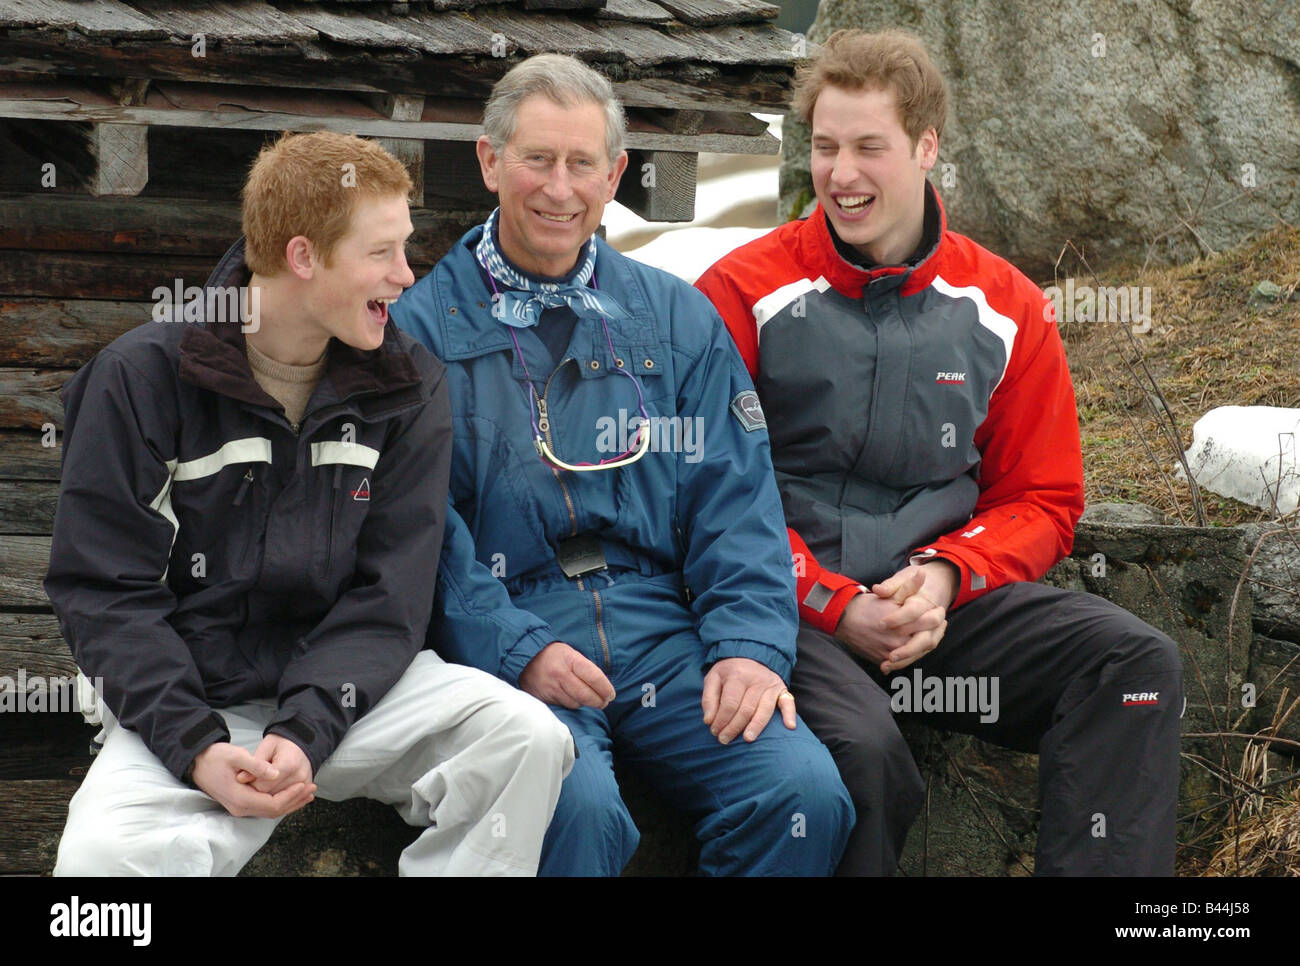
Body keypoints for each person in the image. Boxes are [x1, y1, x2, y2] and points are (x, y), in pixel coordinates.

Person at [696, 29, 1184, 876]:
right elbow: (703, 493)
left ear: (926, 148)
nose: (841, 174)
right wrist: (834, 604)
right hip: (790, 612)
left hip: (938, 617)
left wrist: (949, 574)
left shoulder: (1006, 306)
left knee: (1134, 663)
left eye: (868, 148)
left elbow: (1044, 499)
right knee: (866, 758)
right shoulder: (739, 293)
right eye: (824, 147)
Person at [44, 131, 574, 877]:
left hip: (349, 696)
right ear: (302, 257)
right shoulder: (139, 380)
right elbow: (104, 594)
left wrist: (308, 729)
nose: (406, 275)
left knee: (525, 738)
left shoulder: (407, 384)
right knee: (99, 866)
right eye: (382, 253)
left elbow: (391, 595)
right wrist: (197, 749)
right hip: (192, 702)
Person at [393, 54, 853, 876]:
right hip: (513, 636)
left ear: (614, 175)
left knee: (801, 792)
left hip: (661, 627)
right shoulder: (420, 331)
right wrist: (513, 646)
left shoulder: (676, 317)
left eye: (581, 165)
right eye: (537, 159)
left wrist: (747, 645)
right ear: (490, 161)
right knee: (574, 809)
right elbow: (417, 535)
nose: (559, 189)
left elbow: (736, 497)